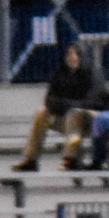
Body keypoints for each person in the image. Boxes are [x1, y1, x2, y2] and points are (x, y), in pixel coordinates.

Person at [14, 42, 94, 172]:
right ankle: (31, 159)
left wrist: (64, 105)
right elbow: (49, 100)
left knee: (74, 114)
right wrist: (66, 105)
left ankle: (70, 158)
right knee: (42, 113)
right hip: (63, 119)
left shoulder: (90, 75)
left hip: (84, 122)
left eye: (74, 54)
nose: (71, 57)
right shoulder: (59, 74)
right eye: (69, 53)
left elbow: (89, 102)